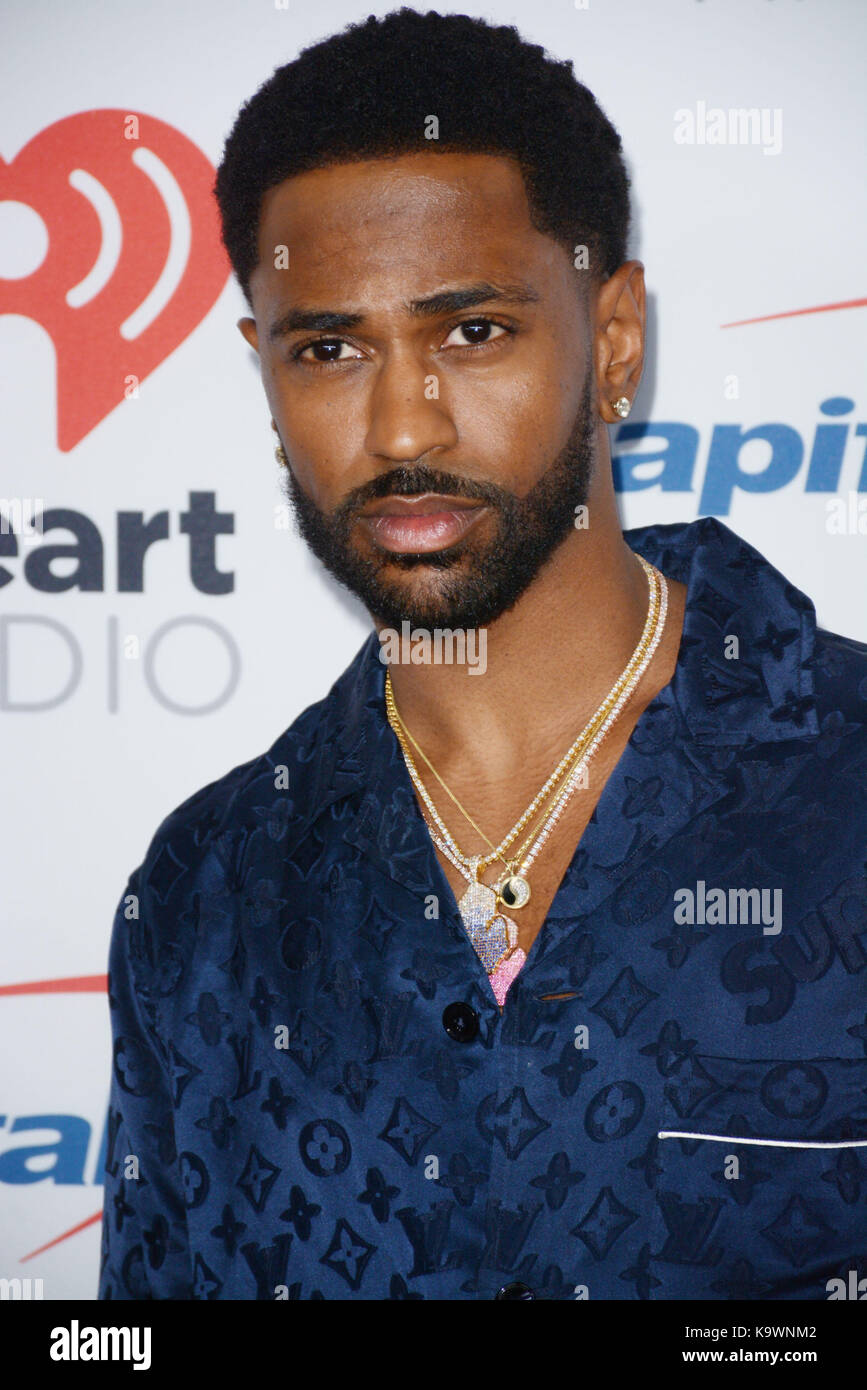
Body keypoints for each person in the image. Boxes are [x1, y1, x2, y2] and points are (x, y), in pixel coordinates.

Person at [99, 9, 867, 1301]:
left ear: (614, 339)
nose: (403, 420)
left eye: (473, 331)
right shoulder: (205, 894)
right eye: (330, 347)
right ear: (265, 375)